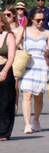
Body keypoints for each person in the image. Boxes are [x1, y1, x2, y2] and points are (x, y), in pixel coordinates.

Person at [19, 8, 49, 134]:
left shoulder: (46, 33)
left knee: (39, 97)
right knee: (27, 95)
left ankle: (36, 119)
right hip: (27, 65)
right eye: (38, 20)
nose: (41, 22)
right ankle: (27, 124)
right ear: (31, 19)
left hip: (42, 66)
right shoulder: (25, 31)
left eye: (42, 19)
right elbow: (16, 44)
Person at [0, 10, 15, 140]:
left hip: (5, 68)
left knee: (5, 102)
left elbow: (11, 57)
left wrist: (4, 71)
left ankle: (4, 132)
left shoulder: (8, 35)